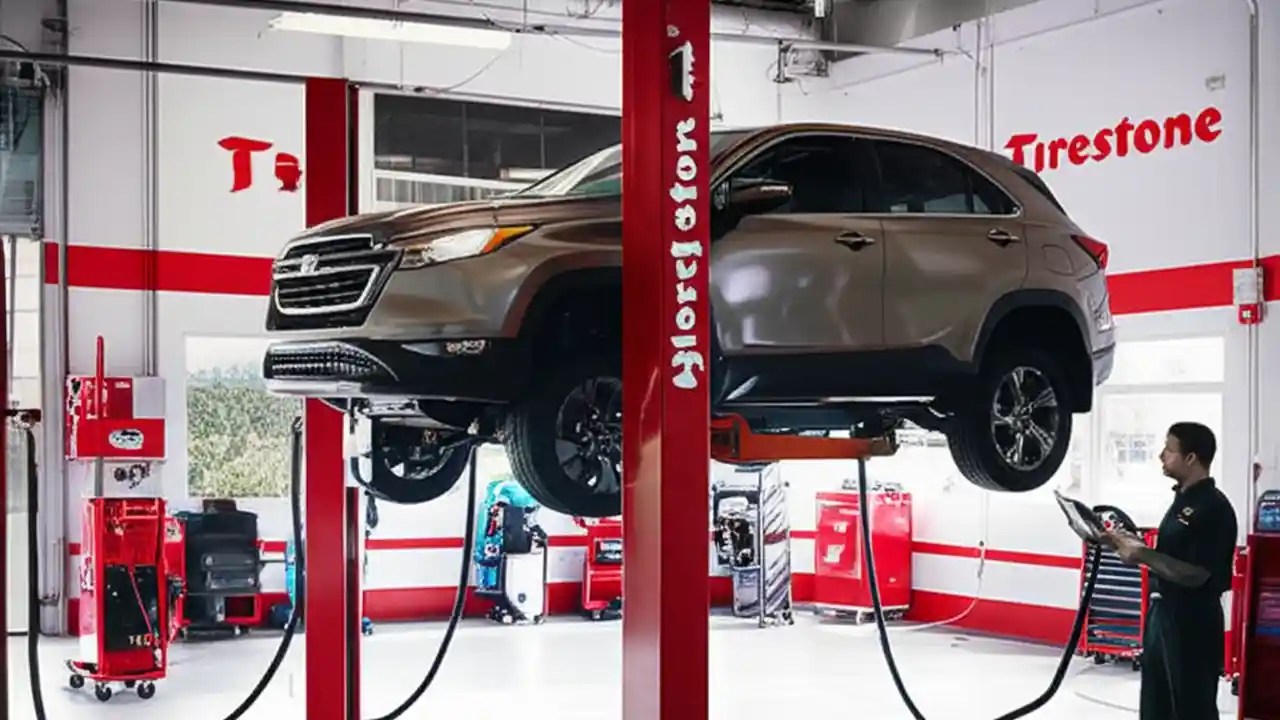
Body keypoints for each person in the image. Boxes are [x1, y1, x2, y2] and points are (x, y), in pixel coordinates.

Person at [1106, 421, 1238, 720]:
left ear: (1191, 458)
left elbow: (1198, 574)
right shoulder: (1182, 501)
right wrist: (1123, 541)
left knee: (1190, 708)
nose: (1161, 455)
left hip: (1192, 622)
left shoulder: (1213, 508)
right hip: (1162, 616)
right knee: (1156, 705)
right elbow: (1170, 555)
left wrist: (1143, 555)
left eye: (1169, 449)